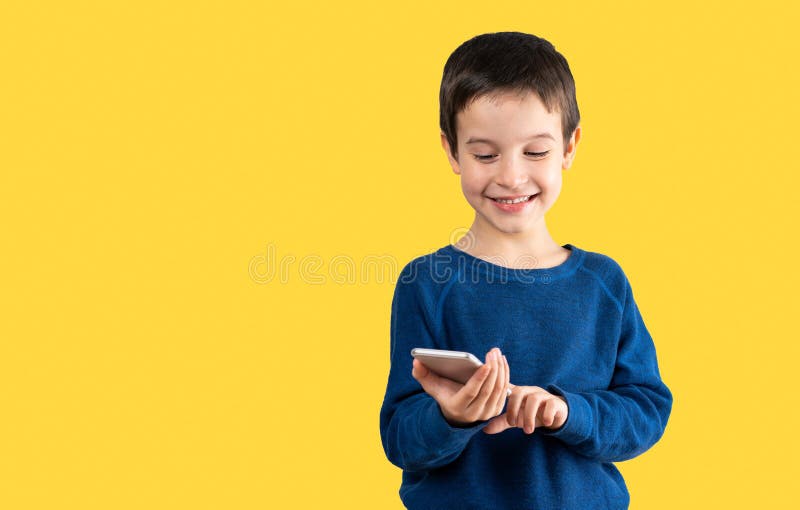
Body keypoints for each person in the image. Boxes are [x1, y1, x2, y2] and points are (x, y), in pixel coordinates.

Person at [378, 31, 673, 509]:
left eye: (535, 152)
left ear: (569, 146)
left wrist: (568, 411)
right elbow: (399, 436)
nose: (511, 176)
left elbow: (646, 410)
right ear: (452, 151)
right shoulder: (426, 283)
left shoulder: (604, 283)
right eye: (484, 154)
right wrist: (451, 417)